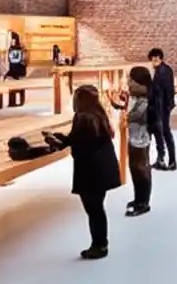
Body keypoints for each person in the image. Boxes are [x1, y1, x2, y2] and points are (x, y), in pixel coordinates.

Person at [44, 85, 120, 260]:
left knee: (94, 210)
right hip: (103, 170)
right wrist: (62, 138)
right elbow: (79, 139)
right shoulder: (99, 115)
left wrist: (56, 142)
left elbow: (79, 145)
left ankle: (99, 246)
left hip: (92, 172)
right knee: (97, 209)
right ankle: (101, 244)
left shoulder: (82, 117)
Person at [110, 66, 154, 217]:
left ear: (143, 85)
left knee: (141, 170)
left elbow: (133, 116)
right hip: (134, 139)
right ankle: (138, 199)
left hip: (141, 141)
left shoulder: (145, 102)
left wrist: (125, 116)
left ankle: (143, 203)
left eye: (132, 81)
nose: (129, 84)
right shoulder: (135, 98)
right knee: (134, 170)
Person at [148, 48, 177, 171]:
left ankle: (171, 161)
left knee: (165, 133)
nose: (154, 61)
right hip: (162, 107)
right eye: (152, 59)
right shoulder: (162, 69)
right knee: (161, 134)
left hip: (162, 108)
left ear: (160, 58)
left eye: (156, 59)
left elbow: (161, 91)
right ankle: (163, 160)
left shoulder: (162, 72)